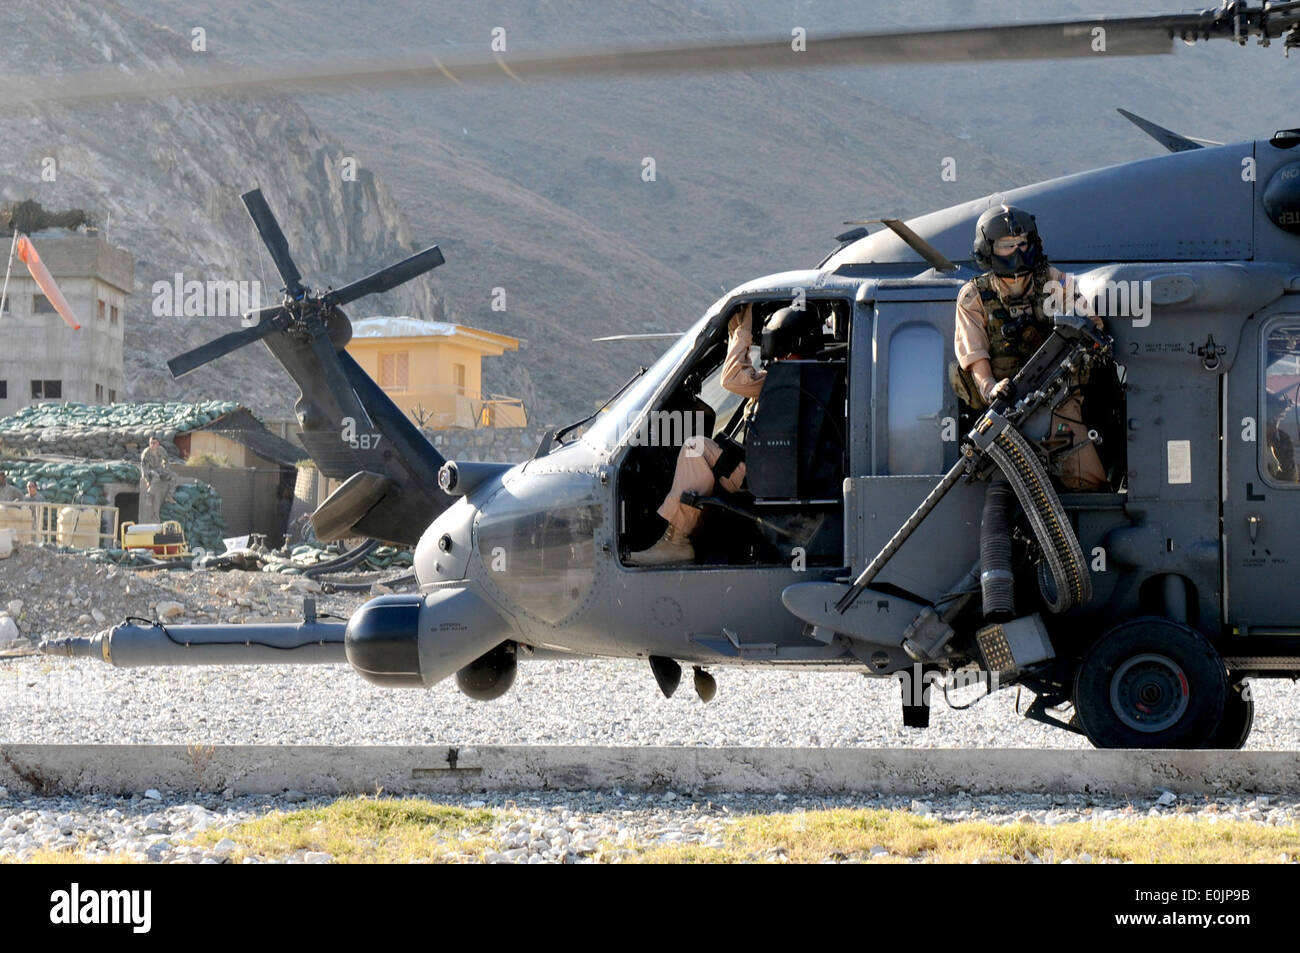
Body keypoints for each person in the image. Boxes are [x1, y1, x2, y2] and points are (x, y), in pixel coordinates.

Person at [628, 303, 817, 566]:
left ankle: (678, 541)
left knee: (695, 450)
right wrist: (736, 334)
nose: (776, 357)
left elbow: (732, 379)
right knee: (706, 450)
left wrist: (742, 333)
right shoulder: (810, 377)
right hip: (774, 469)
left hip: (766, 476)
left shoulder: (791, 378)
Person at [952, 204, 1109, 492]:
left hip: (1058, 402)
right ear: (989, 249)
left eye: (1022, 243)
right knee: (1001, 491)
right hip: (1007, 409)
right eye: (1007, 245)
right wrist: (990, 388)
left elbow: (1090, 326)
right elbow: (973, 355)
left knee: (1089, 481)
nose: (1017, 252)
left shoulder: (1053, 281)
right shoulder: (973, 296)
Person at [138, 435, 176, 523]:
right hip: (150, 470)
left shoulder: (161, 450)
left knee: (173, 476)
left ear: (158, 444)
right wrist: (147, 480)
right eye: (151, 443)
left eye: (154, 443)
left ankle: (169, 496)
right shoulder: (146, 453)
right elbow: (143, 468)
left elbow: (166, 461)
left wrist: (165, 470)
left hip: (159, 469)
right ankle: (149, 494)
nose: (152, 445)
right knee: (156, 477)